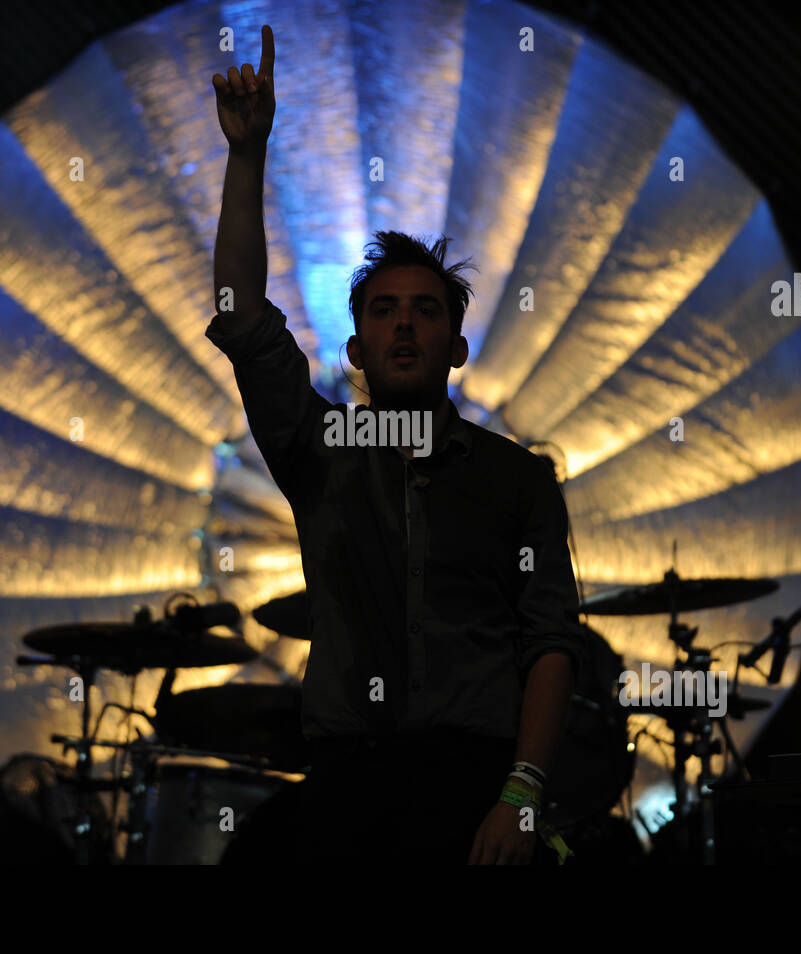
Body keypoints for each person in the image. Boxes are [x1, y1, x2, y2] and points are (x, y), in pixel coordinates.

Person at [207, 25, 587, 864]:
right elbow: (240, 316)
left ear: (456, 346)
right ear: (356, 351)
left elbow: (551, 643)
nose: (404, 323)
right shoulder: (322, 447)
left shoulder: (516, 479)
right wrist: (247, 156)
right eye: (382, 311)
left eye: (425, 310)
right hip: (348, 786)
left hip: (475, 788)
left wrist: (521, 798)